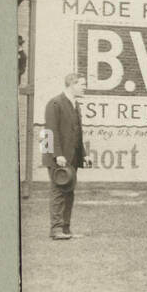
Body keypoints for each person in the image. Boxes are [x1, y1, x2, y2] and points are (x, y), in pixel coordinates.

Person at [43, 72, 88, 240]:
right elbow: (48, 132)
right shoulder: (55, 103)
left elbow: (77, 134)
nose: (85, 87)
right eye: (82, 84)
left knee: (69, 191)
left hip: (72, 157)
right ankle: (55, 230)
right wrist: (57, 155)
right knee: (58, 191)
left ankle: (66, 229)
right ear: (72, 84)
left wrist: (84, 154)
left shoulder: (75, 105)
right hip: (58, 157)